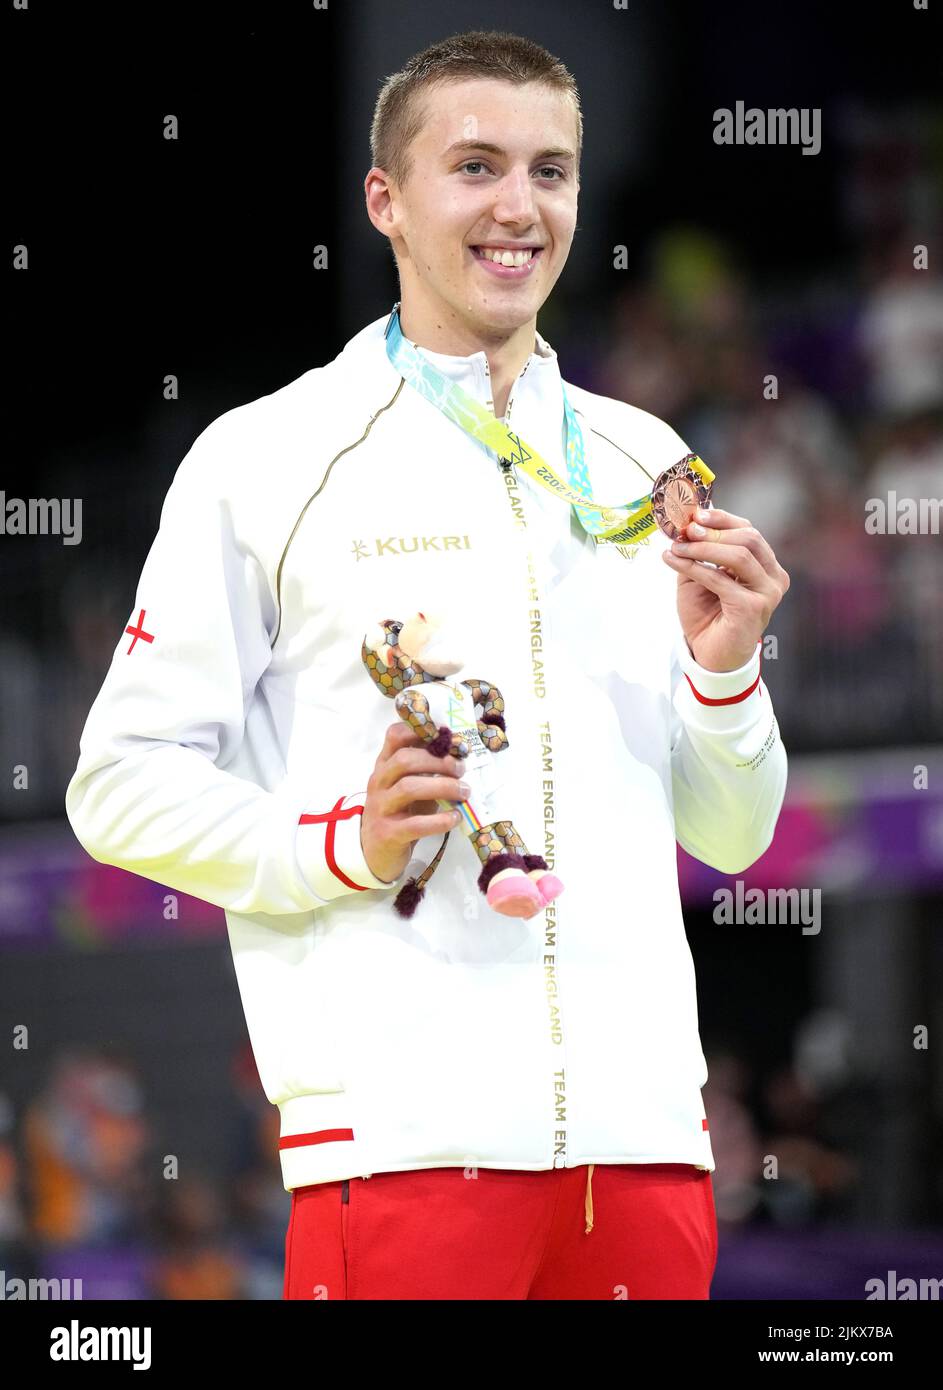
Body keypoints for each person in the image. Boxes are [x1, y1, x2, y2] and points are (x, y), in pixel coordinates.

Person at [65, 29, 790, 1300]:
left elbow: (733, 836)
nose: (520, 207)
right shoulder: (266, 459)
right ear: (385, 201)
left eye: (551, 170)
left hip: (644, 1158)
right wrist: (341, 843)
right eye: (475, 165)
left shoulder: (641, 464)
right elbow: (117, 782)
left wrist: (726, 679)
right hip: (399, 1151)